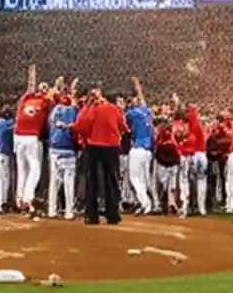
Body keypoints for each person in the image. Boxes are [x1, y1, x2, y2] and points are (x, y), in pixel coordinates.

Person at [71, 89, 128, 225]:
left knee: (92, 181)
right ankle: (113, 215)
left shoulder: (90, 109)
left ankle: (92, 216)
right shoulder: (114, 109)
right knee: (112, 180)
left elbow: (80, 126)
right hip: (112, 147)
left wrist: (87, 107)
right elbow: (124, 127)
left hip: (93, 146)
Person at [14, 66, 52, 214]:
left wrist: (31, 84)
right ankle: (28, 199)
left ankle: (19, 198)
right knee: (35, 169)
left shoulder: (26, 100)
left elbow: (25, 96)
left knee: (22, 169)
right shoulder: (44, 101)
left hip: (17, 135)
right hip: (31, 136)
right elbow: (50, 99)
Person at [47, 84, 80, 220]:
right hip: (67, 149)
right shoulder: (72, 111)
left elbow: (49, 124)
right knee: (68, 182)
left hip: (54, 149)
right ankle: (69, 211)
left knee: (54, 181)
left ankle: (52, 210)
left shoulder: (54, 110)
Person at [124, 78, 156, 215]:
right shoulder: (146, 111)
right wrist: (138, 87)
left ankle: (145, 203)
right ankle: (147, 204)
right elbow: (142, 99)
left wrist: (126, 105)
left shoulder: (132, 114)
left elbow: (123, 116)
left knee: (134, 178)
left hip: (137, 149)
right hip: (147, 151)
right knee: (142, 179)